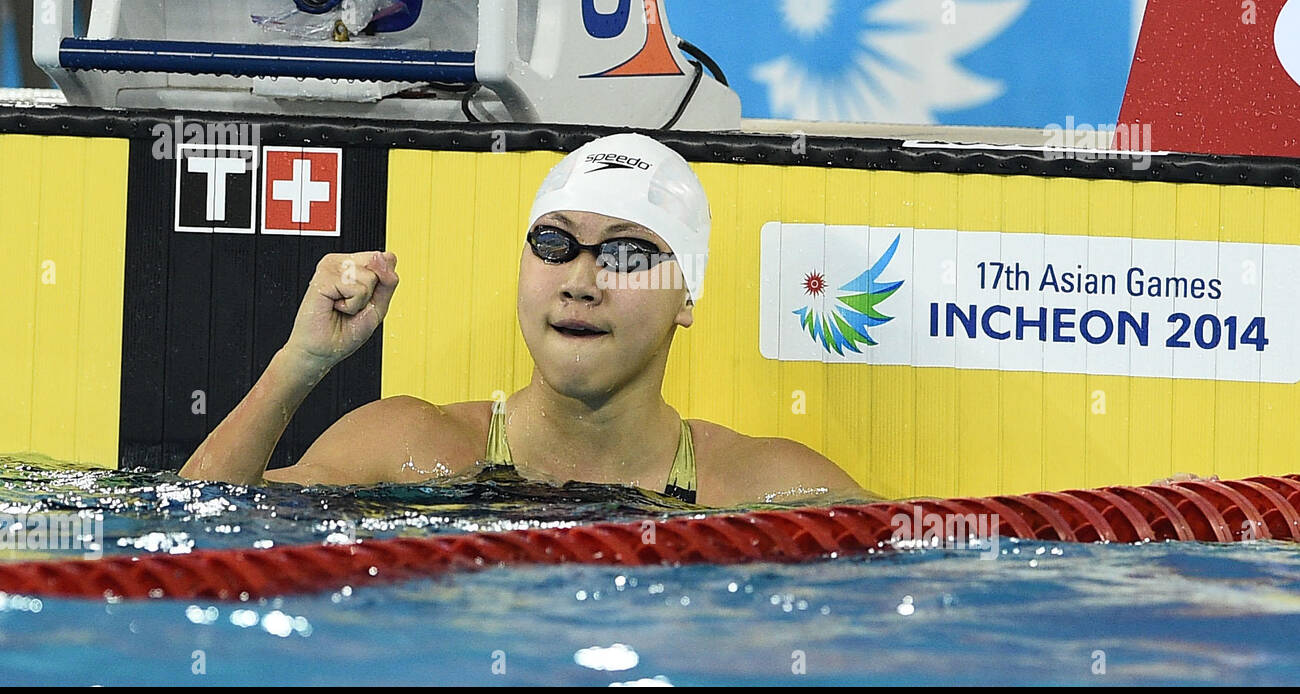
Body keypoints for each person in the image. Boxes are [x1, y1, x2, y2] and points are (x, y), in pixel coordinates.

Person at [179, 134, 875, 506]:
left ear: (685, 296)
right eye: (554, 243)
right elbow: (198, 533)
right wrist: (300, 363)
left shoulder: (759, 488)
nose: (580, 281)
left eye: (628, 253)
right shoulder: (408, 446)